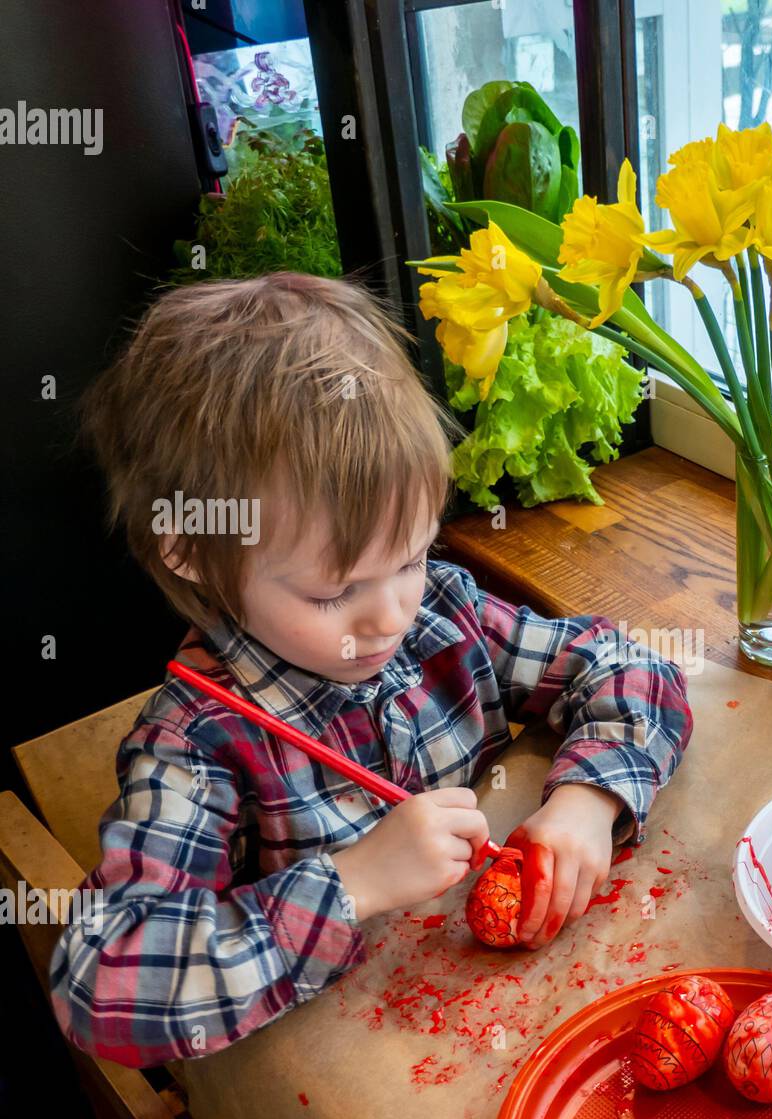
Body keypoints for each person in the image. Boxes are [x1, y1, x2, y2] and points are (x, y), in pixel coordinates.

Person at [49, 272, 692, 1068]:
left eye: (414, 555)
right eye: (335, 590)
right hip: (348, 1086)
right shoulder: (197, 747)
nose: (391, 615)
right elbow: (100, 982)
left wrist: (590, 802)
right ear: (192, 554)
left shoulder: (442, 618)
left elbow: (627, 671)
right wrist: (353, 883)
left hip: (521, 1024)